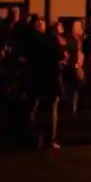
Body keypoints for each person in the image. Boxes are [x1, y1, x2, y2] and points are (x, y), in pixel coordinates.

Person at [26, 17, 63, 150]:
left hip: (35, 79)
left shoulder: (29, 41)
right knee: (51, 110)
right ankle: (49, 139)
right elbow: (59, 55)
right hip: (49, 79)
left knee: (34, 110)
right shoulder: (50, 40)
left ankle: (35, 138)